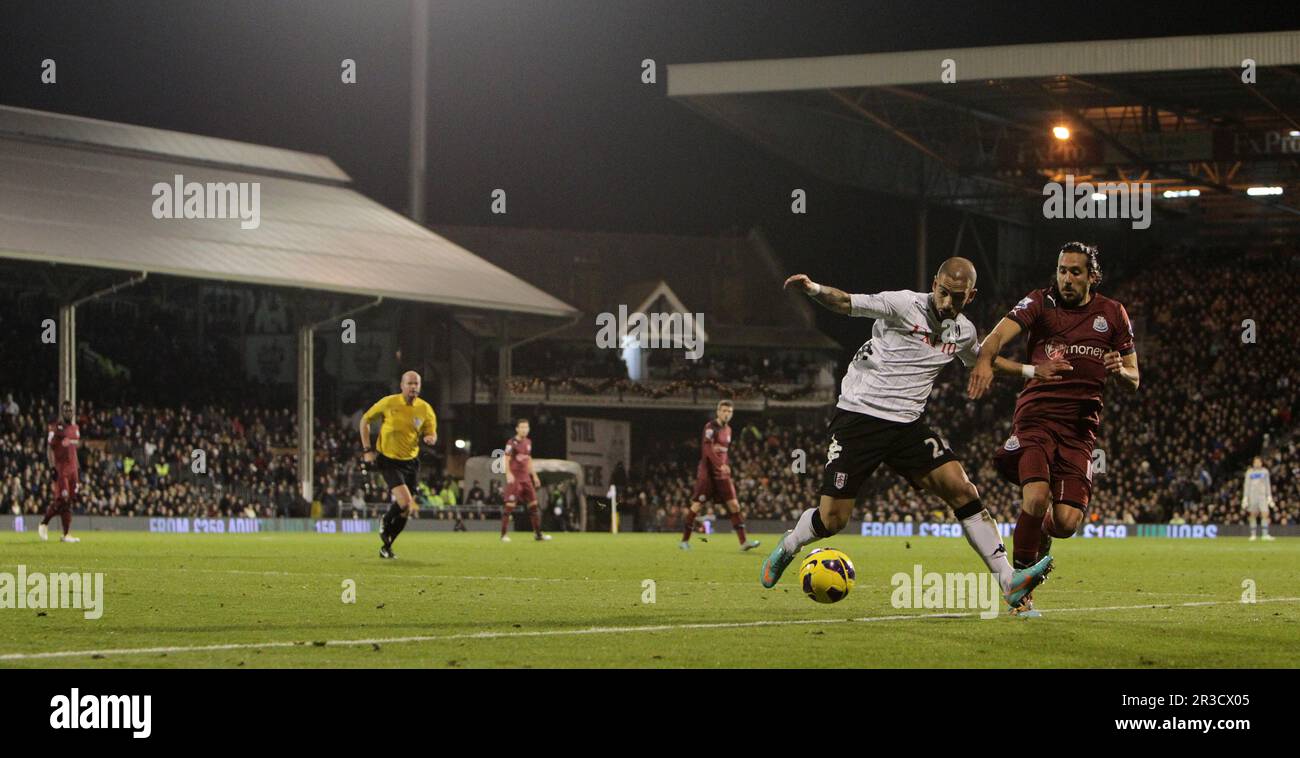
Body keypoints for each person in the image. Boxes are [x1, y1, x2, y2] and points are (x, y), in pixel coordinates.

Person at [764, 258, 1053, 613]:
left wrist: (1033, 371)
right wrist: (813, 289)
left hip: (907, 427)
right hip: (859, 419)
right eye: (943, 292)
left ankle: (1007, 580)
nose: (947, 302)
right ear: (934, 283)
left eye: (957, 297)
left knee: (963, 490)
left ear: (971, 296)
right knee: (832, 520)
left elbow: (982, 360)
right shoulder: (903, 305)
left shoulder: (963, 331)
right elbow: (847, 302)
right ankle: (790, 545)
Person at [970, 241, 1140, 614]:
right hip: (1036, 418)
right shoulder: (1039, 304)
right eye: (1062, 270)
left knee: (1065, 523)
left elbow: (1134, 377)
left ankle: (1042, 536)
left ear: (1092, 276)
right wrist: (986, 361)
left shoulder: (1113, 313)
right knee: (1035, 496)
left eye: (1075, 271)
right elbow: (994, 340)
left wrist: (1119, 370)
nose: (1066, 278)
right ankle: (1019, 588)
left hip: (1080, 430)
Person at [360, 371, 438, 559]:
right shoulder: (389, 403)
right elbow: (365, 421)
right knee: (405, 502)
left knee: (406, 511)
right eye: (410, 383)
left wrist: (430, 438)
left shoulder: (425, 409)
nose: (413, 387)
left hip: (411, 462)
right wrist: (367, 450)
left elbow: (432, 432)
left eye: (416, 384)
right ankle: (385, 520)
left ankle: (387, 546)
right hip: (388, 459)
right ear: (402, 385)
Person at [680, 400, 761, 552]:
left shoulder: (729, 430)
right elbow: (707, 450)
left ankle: (744, 542)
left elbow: (724, 453)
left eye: (729, 411)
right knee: (697, 506)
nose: (726, 414)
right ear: (718, 412)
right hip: (708, 474)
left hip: (722, 475)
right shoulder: (710, 427)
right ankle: (684, 540)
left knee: (734, 505)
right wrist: (720, 464)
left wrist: (726, 465)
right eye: (724, 411)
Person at [501, 418, 551, 542]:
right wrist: (508, 473)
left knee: (534, 506)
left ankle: (538, 534)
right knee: (509, 507)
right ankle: (503, 535)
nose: (524, 430)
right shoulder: (511, 442)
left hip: (526, 479)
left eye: (526, 427)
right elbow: (506, 458)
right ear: (517, 429)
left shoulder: (528, 442)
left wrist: (534, 475)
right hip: (515, 479)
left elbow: (528, 459)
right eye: (522, 427)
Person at [40, 400, 82, 543]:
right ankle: (44, 523)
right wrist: (52, 467)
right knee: (62, 499)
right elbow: (49, 449)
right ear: (61, 412)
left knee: (68, 502)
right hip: (62, 470)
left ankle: (66, 534)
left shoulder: (76, 429)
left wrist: (78, 468)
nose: (68, 412)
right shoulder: (56, 428)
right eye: (65, 410)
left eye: (70, 410)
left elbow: (73, 451)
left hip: (73, 471)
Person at [1242, 456, 1275, 542]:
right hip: (1252, 496)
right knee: (1253, 514)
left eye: (1258, 462)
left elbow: (1268, 484)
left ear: (1261, 463)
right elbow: (1246, 485)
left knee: (1265, 514)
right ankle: (1253, 535)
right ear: (1253, 463)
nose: (1257, 463)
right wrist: (1245, 497)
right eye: (1255, 462)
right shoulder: (1249, 472)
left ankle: (1265, 534)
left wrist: (1269, 497)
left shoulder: (1265, 471)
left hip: (1262, 496)